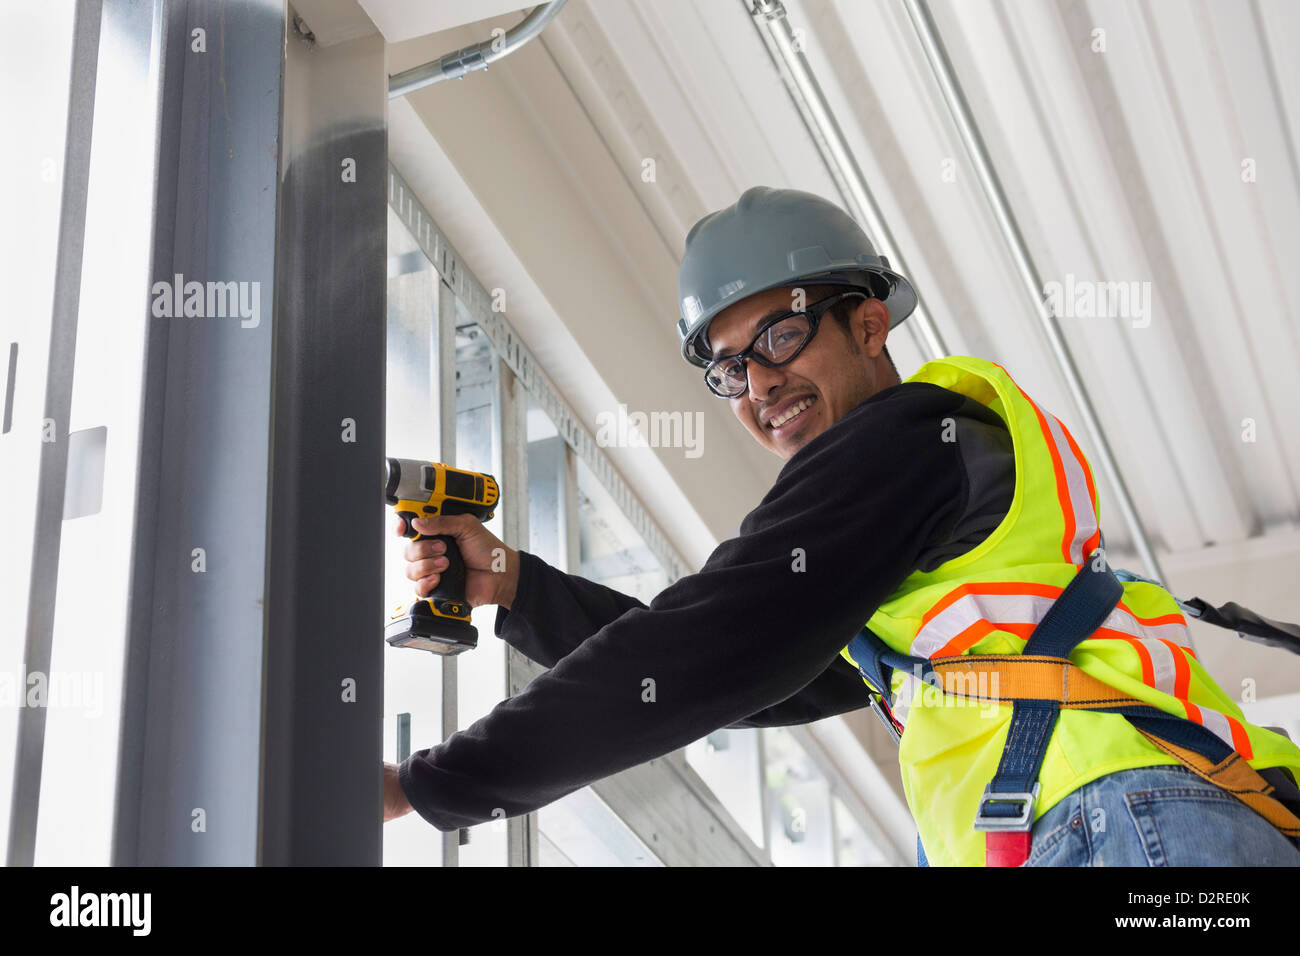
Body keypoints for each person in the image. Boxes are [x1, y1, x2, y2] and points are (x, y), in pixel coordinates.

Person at [384, 186, 1300, 866]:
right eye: (730, 369)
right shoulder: (934, 532)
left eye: (780, 337)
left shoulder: (906, 442)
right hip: (1178, 832)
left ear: (869, 324)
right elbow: (764, 672)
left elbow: (717, 643)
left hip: (1127, 827)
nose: (759, 386)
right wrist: (514, 588)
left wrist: (430, 786)